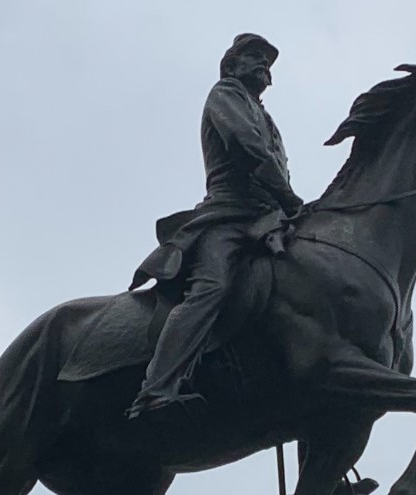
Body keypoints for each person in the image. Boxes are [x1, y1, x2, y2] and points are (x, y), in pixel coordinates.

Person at [127, 33, 303, 419]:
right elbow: (246, 146)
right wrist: (289, 197)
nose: (263, 65)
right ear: (232, 65)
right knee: (211, 288)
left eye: (267, 61)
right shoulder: (225, 94)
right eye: (254, 56)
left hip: (269, 218)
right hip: (227, 217)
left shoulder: (268, 118)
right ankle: (156, 390)